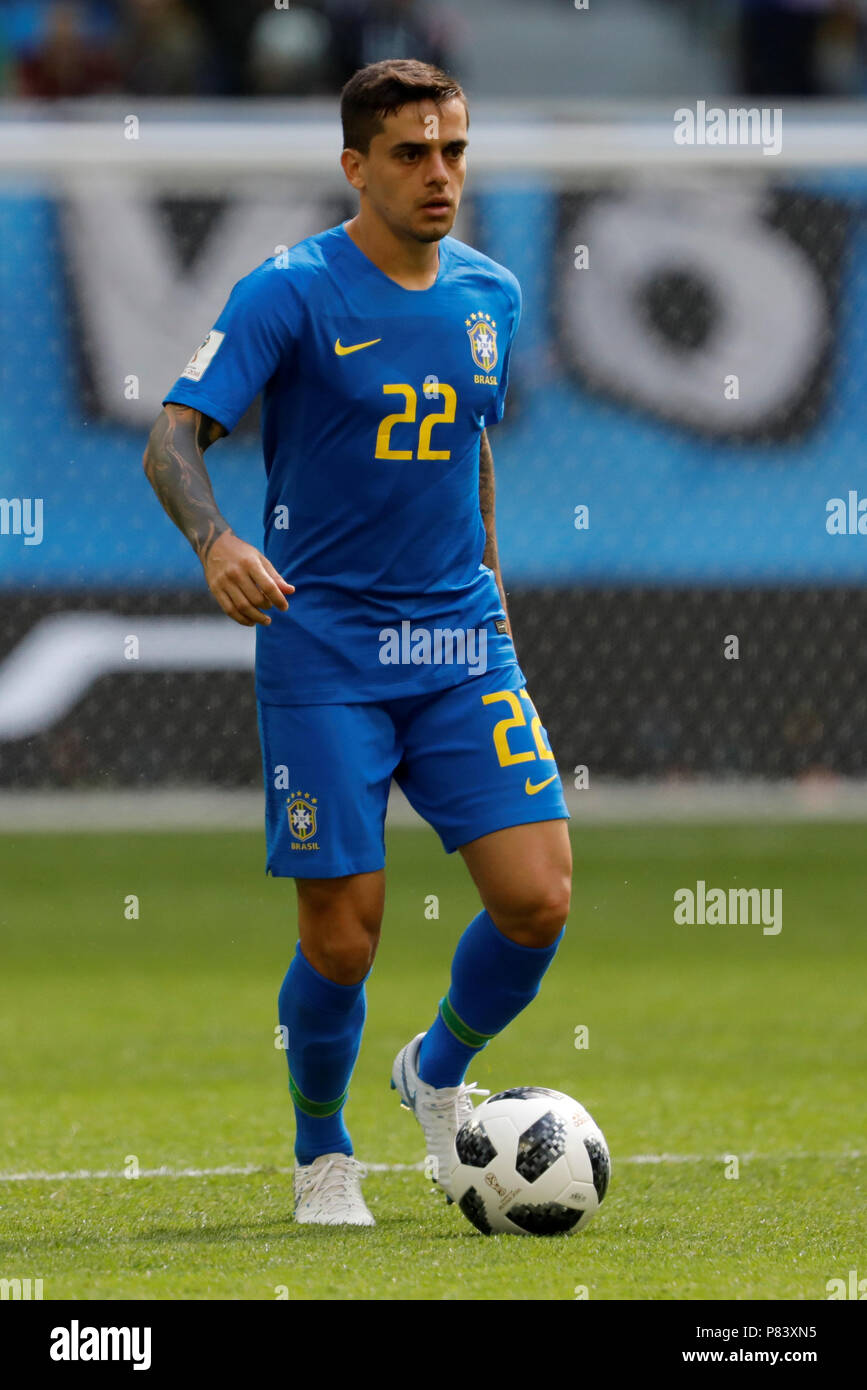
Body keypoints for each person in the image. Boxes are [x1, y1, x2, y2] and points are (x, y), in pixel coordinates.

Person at [142, 58, 571, 1227]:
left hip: (462, 645)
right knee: (344, 936)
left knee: (538, 899)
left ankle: (435, 1068)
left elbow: (470, 443)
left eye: (455, 153)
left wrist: (490, 579)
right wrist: (219, 543)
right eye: (411, 155)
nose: (440, 175)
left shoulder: (491, 293)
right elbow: (173, 439)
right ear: (354, 166)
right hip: (326, 649)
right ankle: (323, 1152)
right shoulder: (290, 291)